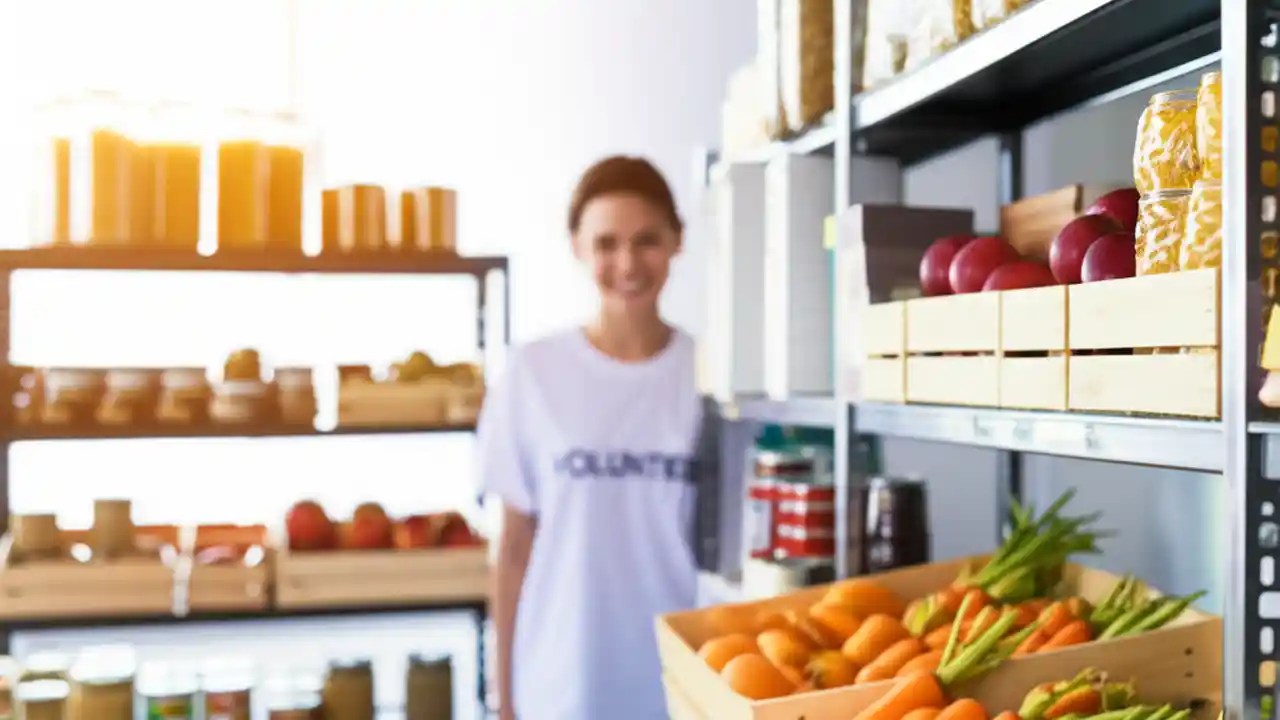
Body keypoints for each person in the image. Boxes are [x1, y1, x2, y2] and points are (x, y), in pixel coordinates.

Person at [478, 155, 702, 720]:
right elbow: (513, 547)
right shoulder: (533, 372)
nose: (627, 263)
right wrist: (503, 697)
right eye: (606, 243)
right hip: (561, 682)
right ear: (577, 246)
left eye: (647, 240)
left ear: (677, 240)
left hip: (682, 679)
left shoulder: (712, 376)